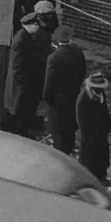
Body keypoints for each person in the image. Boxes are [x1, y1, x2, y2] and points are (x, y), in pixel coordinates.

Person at [44, 26, 86, 156]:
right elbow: (83, 72)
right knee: (70, 124)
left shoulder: (53, 58)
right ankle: (70, 149)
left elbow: (49, 81)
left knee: (58, 127)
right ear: (70, 39)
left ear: (57, 41)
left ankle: (59, 153)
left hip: (57, 99)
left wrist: (47, 98)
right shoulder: (78, 53)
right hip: (73, 94)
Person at [4, 12, 47, 136]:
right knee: (18, 114)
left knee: (20, 113)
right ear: (31, 25)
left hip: (21, 85)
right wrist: (27, 85)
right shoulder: (21, 40)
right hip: (20, 86)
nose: (38, 28)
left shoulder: (24, 36)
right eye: (36, 25)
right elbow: (17, 67)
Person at [76, 74, 111, 183]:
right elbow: (81, 118)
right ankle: (88, 178)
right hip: (89, 132)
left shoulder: (101, 94)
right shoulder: (84, 97)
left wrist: (107, 124)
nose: (101, 88)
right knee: (89, 157)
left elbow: (104, 109)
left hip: (101, 130)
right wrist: (87, 135)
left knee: (101, 154)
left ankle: (101, 176)